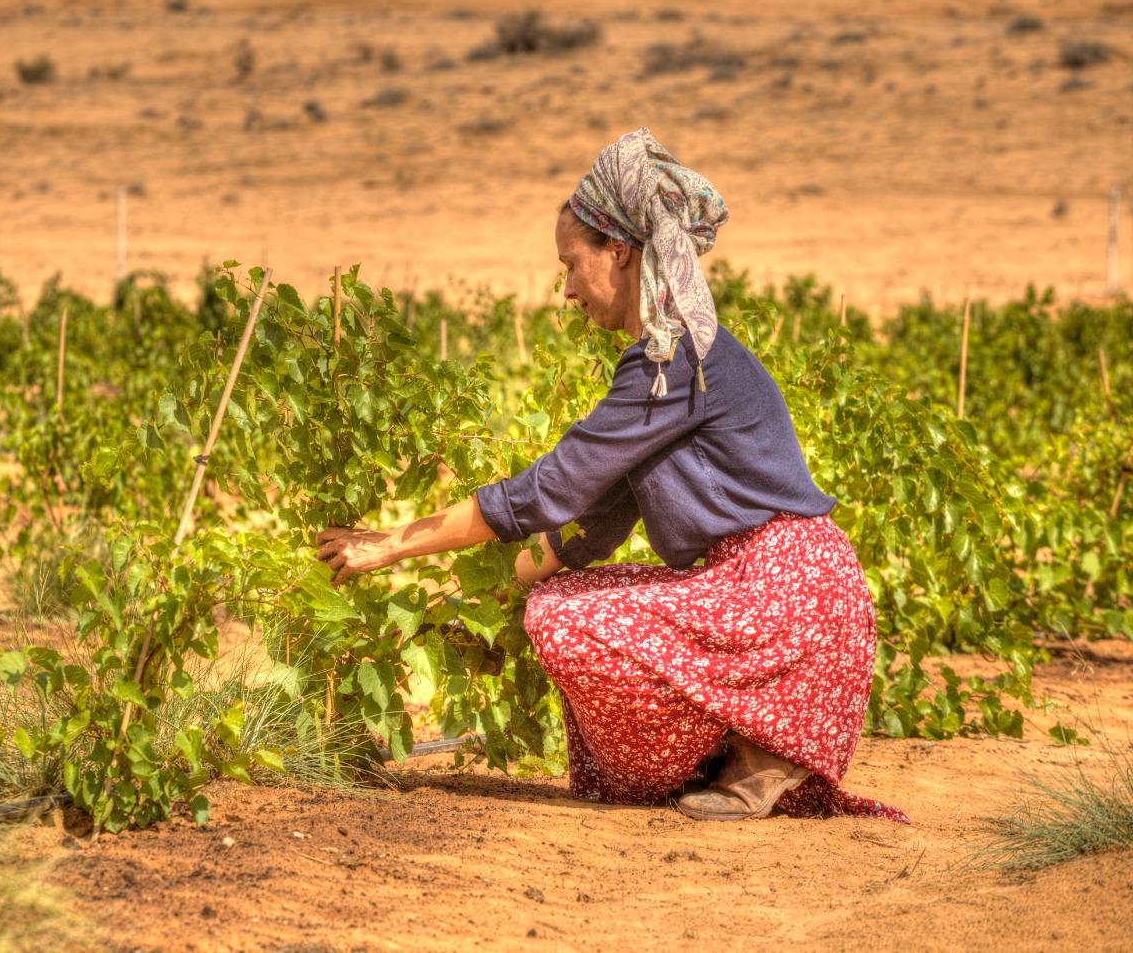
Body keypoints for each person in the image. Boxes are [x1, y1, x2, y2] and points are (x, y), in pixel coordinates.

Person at [316, 128, 904, 823]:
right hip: (784, 594)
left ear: (618, 252)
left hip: (791, 598)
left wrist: (387, 544)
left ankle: (757, 757)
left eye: (570, 265)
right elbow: (584, 531)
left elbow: (544, 492)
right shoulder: (668, 358)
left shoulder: (675, 360)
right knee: (569, 593)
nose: (565, 289)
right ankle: (739, 751)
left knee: (565, 620)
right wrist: (453, 599)